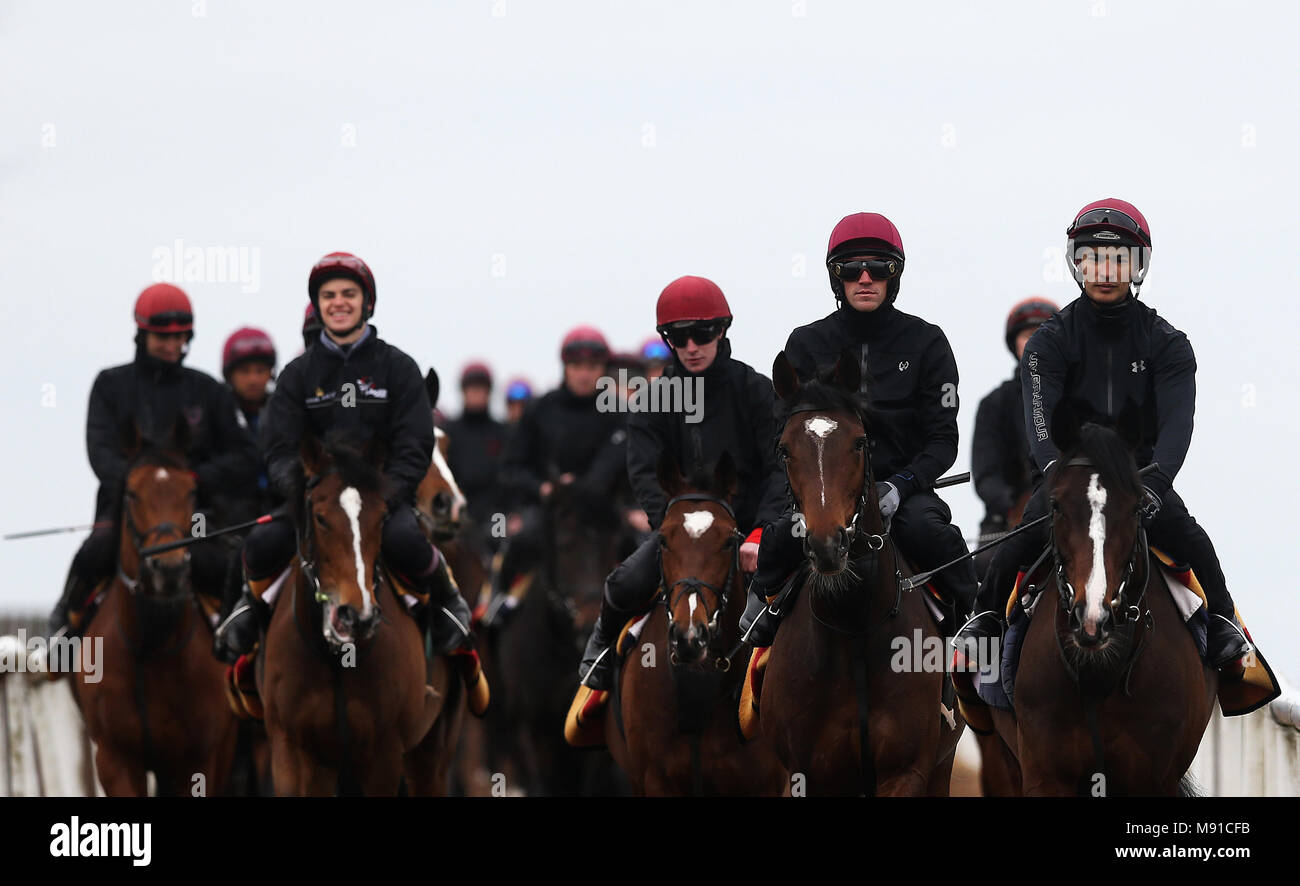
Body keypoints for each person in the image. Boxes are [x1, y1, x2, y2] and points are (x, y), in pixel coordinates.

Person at [953, 199, 1252, 671]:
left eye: (1119, 259)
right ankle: (985, 619)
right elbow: (1040, 421)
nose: (1106, 270)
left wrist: (1155, 485)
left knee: (1192, 539)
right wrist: (1056, 474)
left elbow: (1178, 427)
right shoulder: (1048, 343)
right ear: (1077, 263)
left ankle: (1222, 623)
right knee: (1015, 544)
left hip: (1139, 480)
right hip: (1068, 479)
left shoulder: (1169, 344)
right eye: (1093, 257)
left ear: (1138, 266)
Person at [214, 252, 475, 662]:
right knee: (263, 543)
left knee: (406, 540)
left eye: (349, 294)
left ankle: (449, 604)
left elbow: (415, 443)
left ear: (367, 303)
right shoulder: (296, 376)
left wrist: (389, 494)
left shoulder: (399, 368)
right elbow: (279, 448)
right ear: (318, 305)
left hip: (381, 501)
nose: (339, 302)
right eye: (329, 295)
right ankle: (246, 611)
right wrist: (300, 490)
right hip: (315, 502)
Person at [740, 212, 977, 644]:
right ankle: (757, 626)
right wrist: (812, 494)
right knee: (780, 541)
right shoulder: (805, 343)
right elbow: (785, 440)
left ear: (894, 275)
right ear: (837, 277)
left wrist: (901, 486)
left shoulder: (928, 342)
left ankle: (972, 623)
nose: (865, 278)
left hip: (904, 493)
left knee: (929, 533)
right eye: (851, 269)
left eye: (878, 268)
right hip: (823, 491)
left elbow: (944, 440)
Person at [577, 276, 785, 689]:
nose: (691, 346)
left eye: (702, 334)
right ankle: (599, 654)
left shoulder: (757, 391)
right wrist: (672, 528)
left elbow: (780, 466)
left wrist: (762, 530)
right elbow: (643, 473)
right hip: (681, 533)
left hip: (751, 531)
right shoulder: (652, 401)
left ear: (722, 329)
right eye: (678, 337)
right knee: (625, 582)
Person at [49, 283, 260, 638]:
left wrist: (195, 479)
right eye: (163, 337)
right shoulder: (110, 385)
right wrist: (141, 485)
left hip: (196, 514)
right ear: (142, 334)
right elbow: (100, 451)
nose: (171, 345)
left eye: (179, 337)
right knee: (95, 551)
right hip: (126, 510)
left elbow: (244, 457)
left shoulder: (210, 391)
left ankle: (236, 638)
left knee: (222, 563)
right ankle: (61, 629)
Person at [492, 327, 630, 598]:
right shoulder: (539, 410)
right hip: (548, 509)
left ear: (603, 369)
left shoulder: (620, 413)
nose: (584, 374)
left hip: (604, 511)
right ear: (565, 368)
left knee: (642, 546)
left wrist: (582, 487)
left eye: (592, 367)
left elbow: (621, 465)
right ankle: (500, 606)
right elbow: (511, 468)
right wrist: (541, 487)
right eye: (577, 366)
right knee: (519, 542)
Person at [971, 298, 1057, 578]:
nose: (1035, 341)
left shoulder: (1078, 399)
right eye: (1028, 335)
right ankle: (985, 609)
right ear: (1015, 344)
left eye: (1042, 334)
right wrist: (1014, 506)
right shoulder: (994, 404)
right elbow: (986, 474)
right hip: (1010, 515)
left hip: (1070, 505)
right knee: (986, 565)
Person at [443, 361, 508, 532]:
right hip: (457, 509)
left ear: (489, 392)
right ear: (463, 391)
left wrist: (511, 511)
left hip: (497, 512)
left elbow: (510, 474)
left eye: (481, 388)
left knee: (500, 539)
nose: (476, 393)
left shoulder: (503, 432)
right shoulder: (448, 432)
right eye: (472, 388)